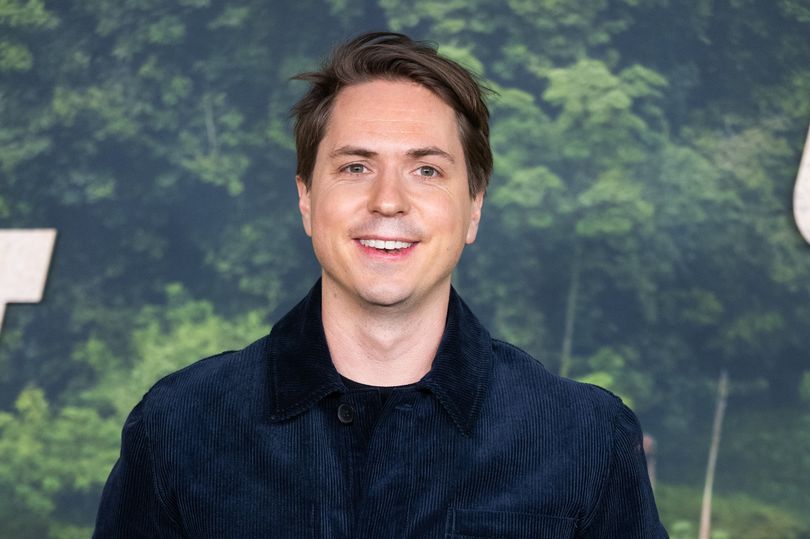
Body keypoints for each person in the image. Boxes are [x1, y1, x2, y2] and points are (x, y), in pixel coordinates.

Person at [94, 32, 668, 538]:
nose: (388, 201)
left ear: (474, 205)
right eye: (355, 167)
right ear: (306, 198)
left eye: (426, 170)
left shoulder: (585, 437)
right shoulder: (179, 425)